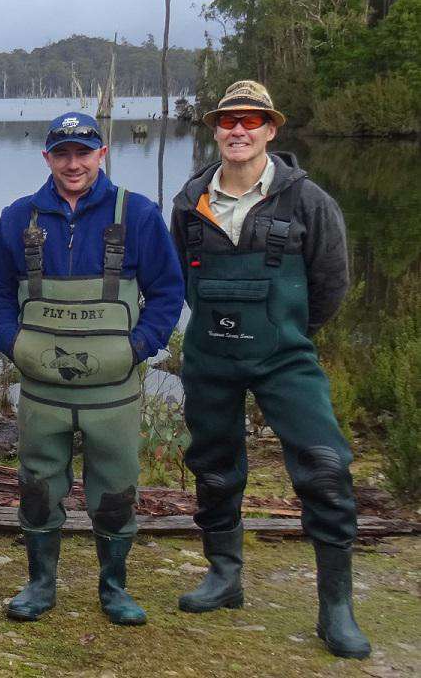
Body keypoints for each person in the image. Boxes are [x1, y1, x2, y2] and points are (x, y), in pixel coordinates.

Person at [171, 81, 369, 659]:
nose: (238, 130)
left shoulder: (309, 201)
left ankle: (336, 607)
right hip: (209, 354)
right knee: (212, 464)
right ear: (216, 128)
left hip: (285, 355)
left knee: (325, 465)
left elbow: (331, 285)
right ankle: (224, 577)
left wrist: (287, 331)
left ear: (271, 130)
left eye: (251, 120)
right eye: (228, 120)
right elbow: (186, 274)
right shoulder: (189, 201)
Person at [0, 112, 183, 626]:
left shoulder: (136, 214)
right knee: (38, 486)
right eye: (63, 153)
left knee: (115, 491)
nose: (74, 164)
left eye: (83, 153)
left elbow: (168, 292)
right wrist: (10, 341)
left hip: (114, 393)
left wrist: (141, 346)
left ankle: (114, 588)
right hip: (42, 392)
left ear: (102, 154)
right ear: (47, 157)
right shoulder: (19, 218)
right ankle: (40, 584)